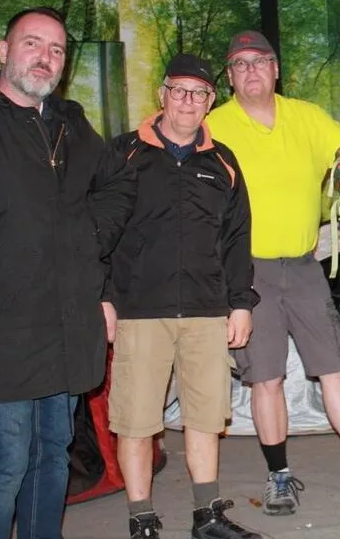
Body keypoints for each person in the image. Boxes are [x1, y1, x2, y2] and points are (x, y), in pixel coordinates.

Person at [205, 30, 340, 515]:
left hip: (304, 267)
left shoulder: (305, 116)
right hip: (248, 274)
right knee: (263, 378)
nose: (250, 71)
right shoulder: (213, 126)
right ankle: (278, 478)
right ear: (229, 76)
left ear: (275, 68)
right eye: (239, 64)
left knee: (334, 366)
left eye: (259, 61)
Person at [0, 7, 137, 539]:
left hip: (65, 320)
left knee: (52, 454)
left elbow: (118, 185)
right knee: (6, 460)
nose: (45, 57)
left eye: (56, 50)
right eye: (32, 44)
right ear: (4, 51)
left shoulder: (70, 125)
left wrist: (89, 248)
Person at [106, 54, 261, 539]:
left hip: (206, 310)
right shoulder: (123, 154)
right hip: (139, 311)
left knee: (205, 416)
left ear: (211, 101)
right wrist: (104, 297)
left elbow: (237, 238)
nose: (189, 101)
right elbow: (100, 233)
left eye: (199, 93)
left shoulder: (223, 161)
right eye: (179, 90)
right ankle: (141, 520)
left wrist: (240, 302)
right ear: (162, 94)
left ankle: (206, 516)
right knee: (135, 421)